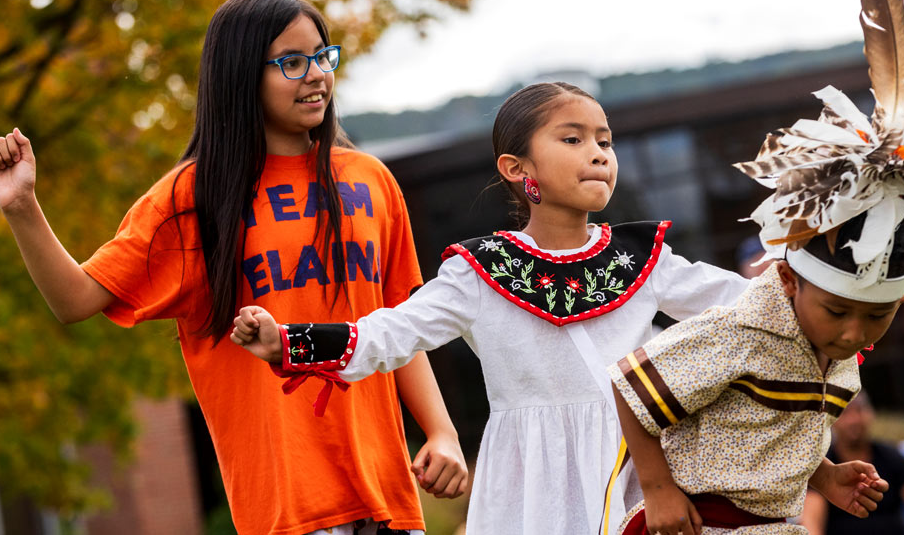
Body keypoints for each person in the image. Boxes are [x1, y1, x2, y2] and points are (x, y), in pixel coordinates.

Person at [0, 0, 467, 535]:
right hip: (287, 512)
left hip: (389, 499)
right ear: (240, 76)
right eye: (291, 62)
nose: (316, 75)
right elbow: (75, 300)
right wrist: (21, 206)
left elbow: (398, 324)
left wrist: (441, 432)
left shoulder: (371, 181)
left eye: (322, 57)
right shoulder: (192, 197)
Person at [230, 81, 752, 534]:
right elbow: (392, 331)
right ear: (515, 167)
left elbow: (754, 305)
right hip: (531, 487)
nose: (598, 154)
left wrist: (800, 259)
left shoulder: (643, 259)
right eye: (573, 139)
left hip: (639, 470)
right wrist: (289, 341)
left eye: (604, 141)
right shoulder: (479, 271)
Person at [608, 0, 904, 535]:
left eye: (876, 316)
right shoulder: (736, 334)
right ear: (787, 280)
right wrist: (658, 491)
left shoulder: (839, 358)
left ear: (903, 299)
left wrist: (826, 476)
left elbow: (773, 438)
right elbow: (630, 387)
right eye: (837, 311)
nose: (853, 333)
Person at [800, 394, 904, 535]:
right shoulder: (823, 468)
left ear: (870, 414)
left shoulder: (892, 457)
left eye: (859, 410)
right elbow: (810, 522)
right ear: (832, 420)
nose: (853, 420)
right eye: (845, 413)